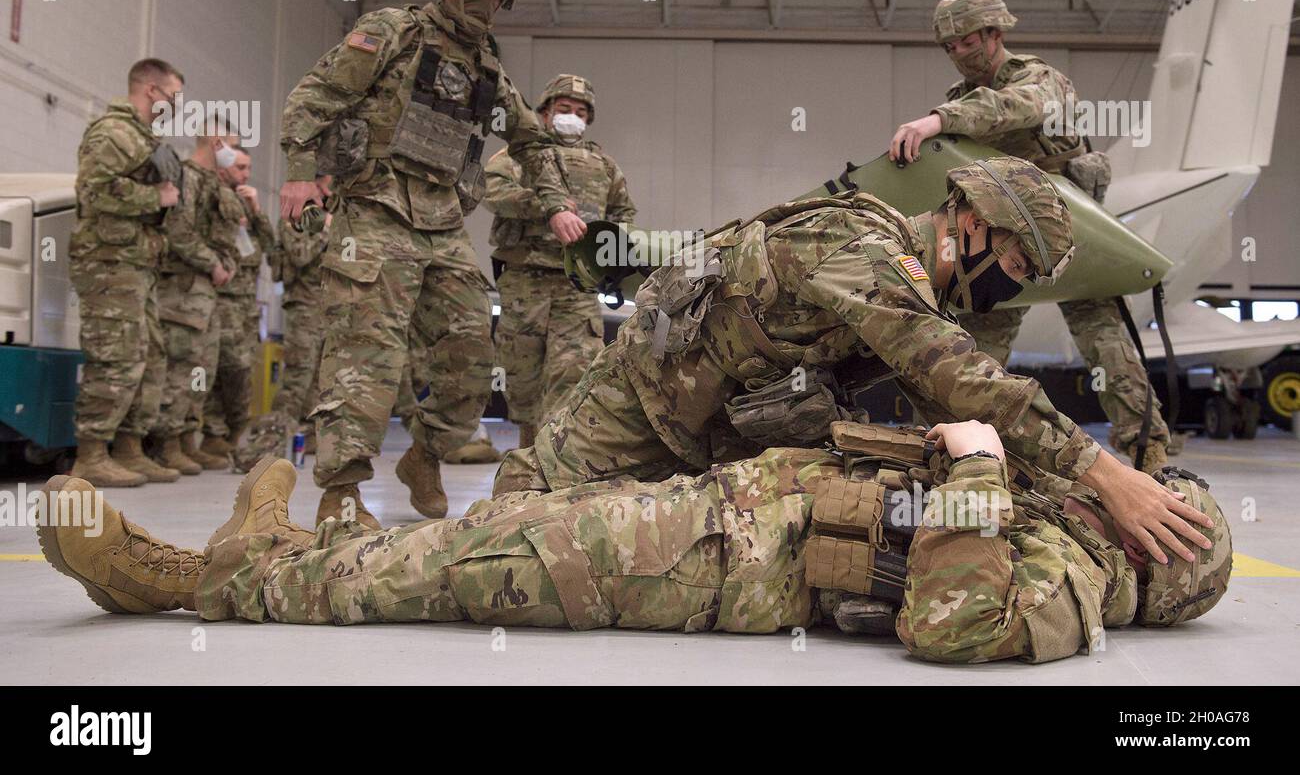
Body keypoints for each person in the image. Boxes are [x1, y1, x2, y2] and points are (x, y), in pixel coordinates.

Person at [34, 417, 1231, 665]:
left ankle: (188, 580)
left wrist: (972, 468)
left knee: (435, 572)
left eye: (1161, 500)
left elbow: (956, 622)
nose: (1136, 491)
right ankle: (271, 542)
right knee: (482, 534)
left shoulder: (1074, 581)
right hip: (714, 512)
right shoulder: (1052, 507)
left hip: (705, 564)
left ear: (1165, 553)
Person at [493, 157, 1214, 566]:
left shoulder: (913, 290)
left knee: (606, 553)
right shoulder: (862, 250)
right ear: (971, 223)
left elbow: (955, 408)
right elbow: (958, 375)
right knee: (512, 524)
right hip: (634, 410)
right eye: (1017, 263)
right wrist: (1107, 473)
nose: (1014, 286)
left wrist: (1054, 494)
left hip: (707, 437)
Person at [275, 0, 578, 528]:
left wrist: (556, 202)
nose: (487, 2)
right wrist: (299, 174)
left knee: (471, 355)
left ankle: (427, 454)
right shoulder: (394, 32)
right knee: (366, 355)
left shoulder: (488, 68)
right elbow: (315, 96)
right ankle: (341, 493)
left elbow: (532, 141)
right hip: (374, 211)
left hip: (443, 223)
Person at [887, 0, 1174, 472]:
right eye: (950, 46)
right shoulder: (963, 100)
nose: (958, 53)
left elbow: (1019, 107)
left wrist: (939, 120)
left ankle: (1152, 458)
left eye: (968, 41)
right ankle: (951, 450)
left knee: (1104, 342)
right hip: (1001, 244)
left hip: (1067, 233)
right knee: (974, 353)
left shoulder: (1040, 80)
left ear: (995, 33)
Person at [485, 73, 636, 449]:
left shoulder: (604, 165)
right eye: (564, 109)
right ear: (545, 113)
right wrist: (546, 209)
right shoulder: (516, 157)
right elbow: (491, 192)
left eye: (580, 111)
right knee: (522, 377)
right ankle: (526, 448)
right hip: (524, 281)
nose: (572, 117)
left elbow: (624, 213)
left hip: (577, 286)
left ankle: (555, 459)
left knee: (575, 372)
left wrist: (609, 249)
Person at [66, 58, 183, 487]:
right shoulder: (113, 133)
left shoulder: (143, 138)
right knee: (115, 355)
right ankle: (91, 454)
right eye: (174, 95)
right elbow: (93, 191)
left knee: (148, 355)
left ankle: (129, 447)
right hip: (109, 263)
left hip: (137, 263)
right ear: (152, 90)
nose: (176, 103)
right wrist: (156, 196)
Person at [151, 120, 244, 475]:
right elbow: (178, 230)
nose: (234, 153)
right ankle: (166, 443)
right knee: (180, 366)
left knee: (201, 370)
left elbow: (226, 236)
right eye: (232, 146)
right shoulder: (187, 177)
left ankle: (188, 438)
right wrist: (213, 263)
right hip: (183, 289)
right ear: (217, 142)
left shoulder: (215, 183)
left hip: (207, 293)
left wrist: (227, 264)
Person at [201, 148, 274, 467]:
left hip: (246, 302)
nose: (244, 173)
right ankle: (213, 434)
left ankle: (232, 432)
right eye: (240, 166)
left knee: (241, 369)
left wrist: (256, 211)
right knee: (217, 367)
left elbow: (272, 246)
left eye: (248, 168)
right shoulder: (212, 199)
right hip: (220, 296)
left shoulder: (247, 204)